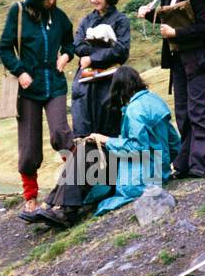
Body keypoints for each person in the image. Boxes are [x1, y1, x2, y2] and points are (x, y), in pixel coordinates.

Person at [29, 67, 181, 227]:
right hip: (157, 170)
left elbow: (137, 148)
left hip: (141, 177)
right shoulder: (155, 100)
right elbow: (174, 143)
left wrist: (105, 140)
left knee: (88, 152)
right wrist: (163, 168)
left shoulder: (135, 110)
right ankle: (56, 204)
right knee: (88, 150)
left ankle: (63, 209)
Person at [0, 0, 75, 215]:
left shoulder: (59, 17)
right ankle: (30, 196)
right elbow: (4, 48)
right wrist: (20, 71)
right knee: (29, 147)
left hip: (54, 83)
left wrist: (66, 55)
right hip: (28, 87)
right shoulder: (18, 13)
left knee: (60, 134)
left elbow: (70, 42)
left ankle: (76, 185)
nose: (51, 2)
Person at [137, 0, 205, 178]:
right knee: (182, 111)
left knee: (197, 111)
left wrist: (176, 33)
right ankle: (185, 162)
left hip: (197, 59)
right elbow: (168, 19)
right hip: (178, 61)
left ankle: (202, 162)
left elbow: (204, 27)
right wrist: (149, 14)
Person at [70, 0, 131, 139]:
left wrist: (92, 57)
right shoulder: (87, 20)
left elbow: (122, 50)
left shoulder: (121, 20)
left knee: (109, 127)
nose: (93, 0)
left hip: (110, 82)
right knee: (85, 128)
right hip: (87, 82)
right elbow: (77, 45)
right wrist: (98, 50)